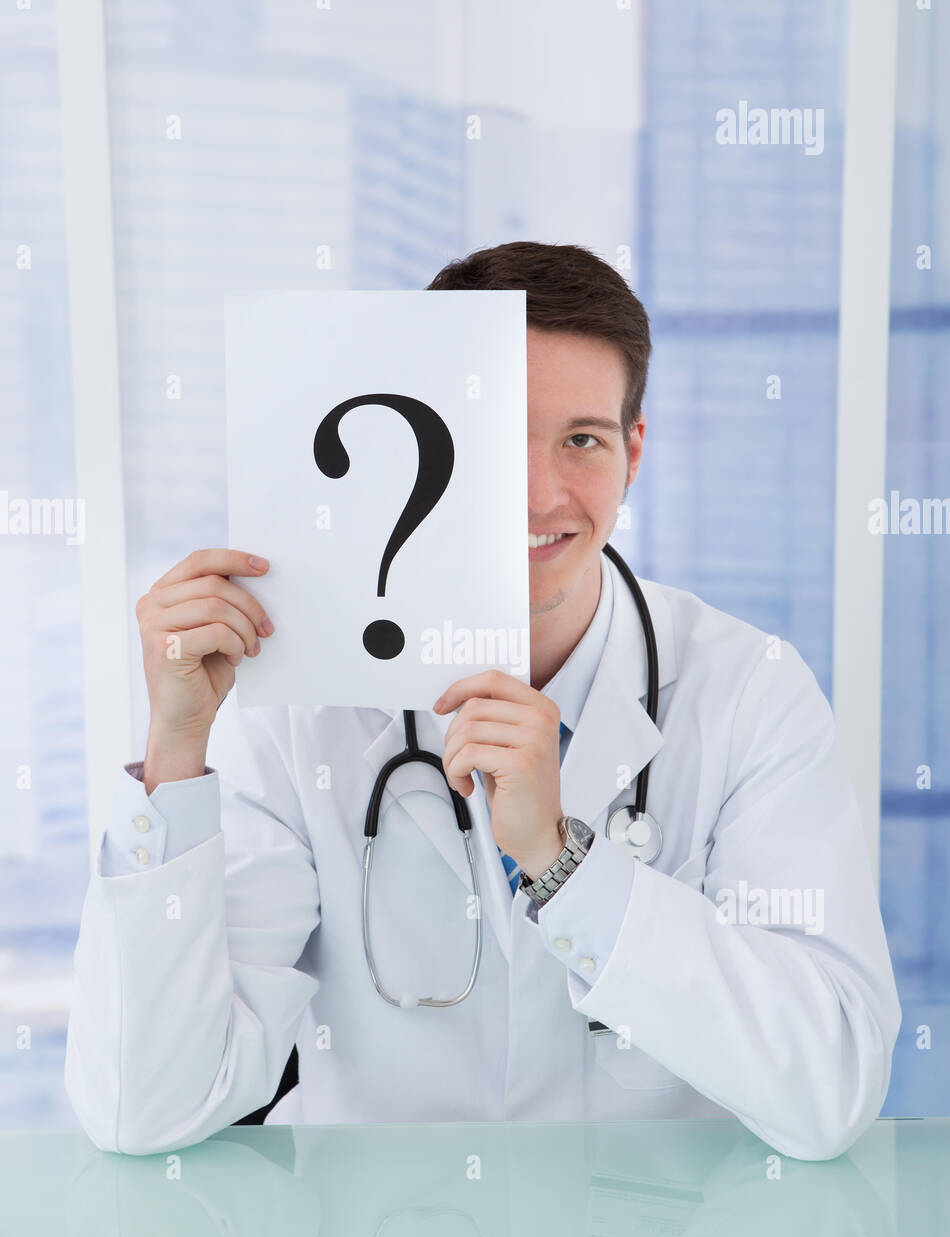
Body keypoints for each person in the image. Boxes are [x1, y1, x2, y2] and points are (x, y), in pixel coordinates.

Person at [64, 241, 901, 1160]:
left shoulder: (749, 691)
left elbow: (832, 1086)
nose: (542, 493)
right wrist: (176, 749)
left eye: (582, 439)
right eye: (498, 442)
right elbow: (146, 1111)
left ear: (634, 451)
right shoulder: (302, 703)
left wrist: (563, 864)